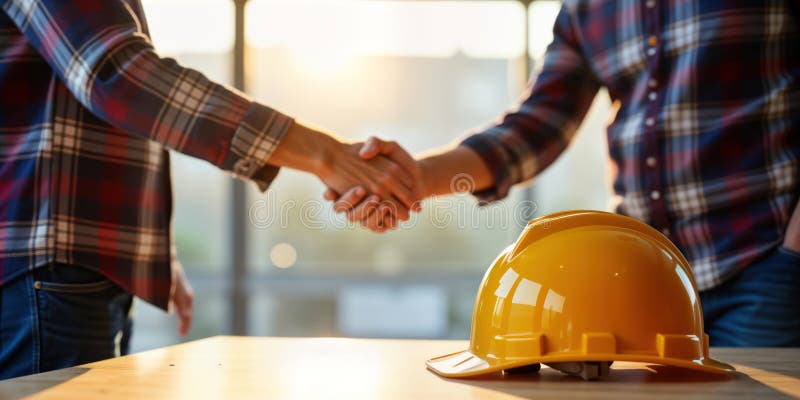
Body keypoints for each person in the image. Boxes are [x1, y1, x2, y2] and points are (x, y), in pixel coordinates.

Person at [328, 1, 800, 346]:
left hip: (762, 264)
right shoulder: (586, 8)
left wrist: (792, 255)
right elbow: (535, 128)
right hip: (647, 277)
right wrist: (414, 178)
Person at [0, 0, 422, 379]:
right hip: (44, 273)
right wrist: (328, 156)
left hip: (63, 271)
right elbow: (117, 73)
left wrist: (146, 246)